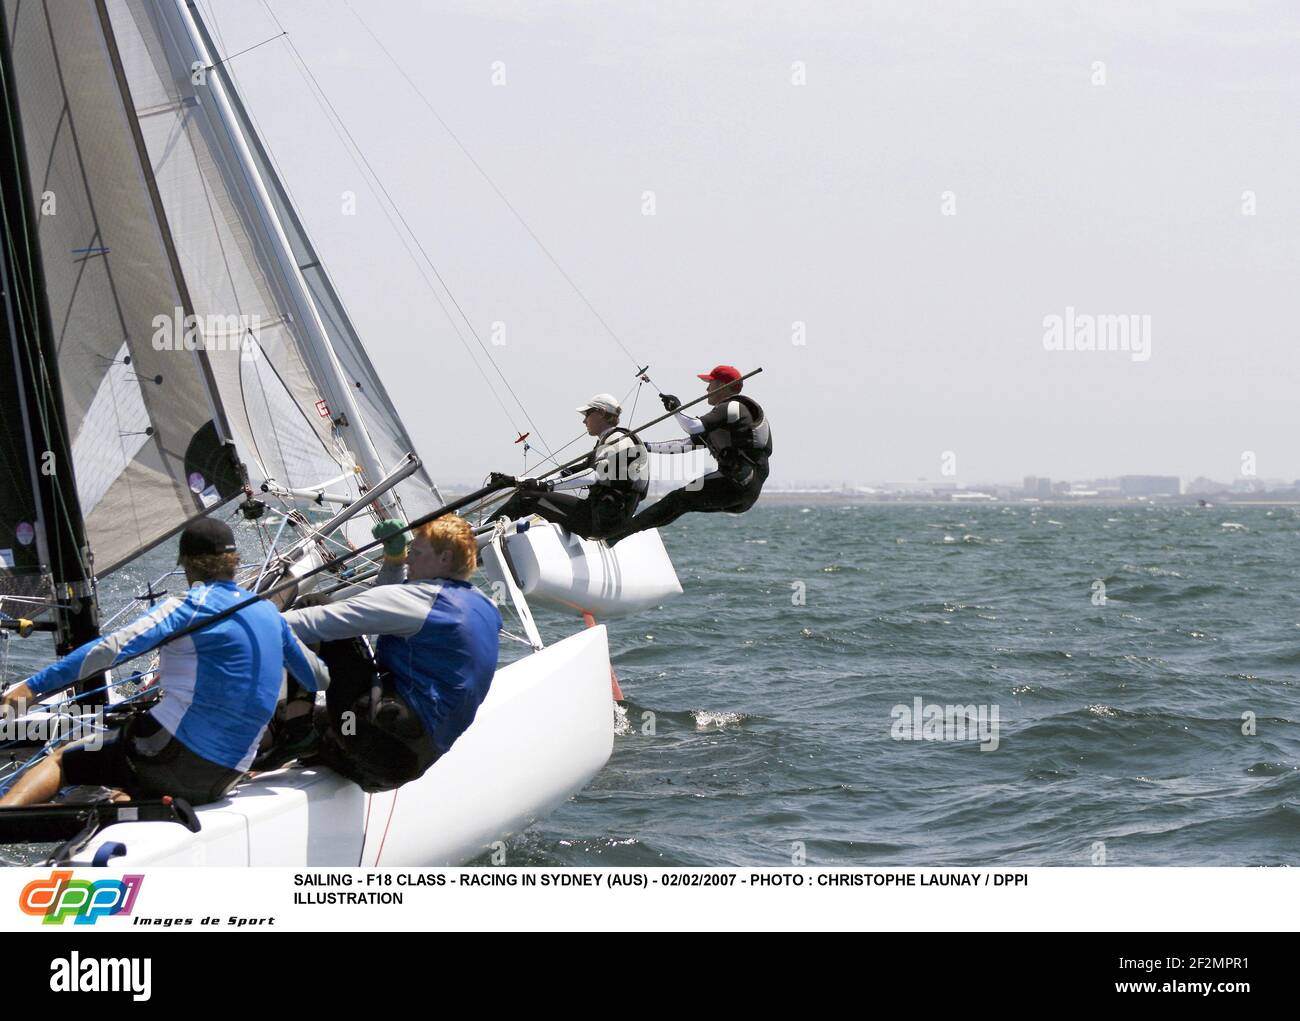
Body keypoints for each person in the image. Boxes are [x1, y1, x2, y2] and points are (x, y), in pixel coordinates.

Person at [0, 518, 328, 808]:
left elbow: (109, 649)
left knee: (64, 760)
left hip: (171, 756)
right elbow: (317, 677)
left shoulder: (189, 606)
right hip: (226, 774)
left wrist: (32, 687)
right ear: (234, 562)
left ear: (187, 563)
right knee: (122, 784)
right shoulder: (269, 613)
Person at [279, 513, 501, 793]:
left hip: (372, 743)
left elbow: (316, 622)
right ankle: (318, 741)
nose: (409, 561)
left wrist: (243, 623)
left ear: (444, 558)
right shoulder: (483, 605)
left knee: (314, 605)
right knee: (321, 720)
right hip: (403, 762)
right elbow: (387, 604)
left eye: (415, 553)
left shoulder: (423, 602)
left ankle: (296, 734)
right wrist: (393, 561)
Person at [604, 365, 772, 545]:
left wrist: (676, 410)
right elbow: (684, 446)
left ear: (723, 386)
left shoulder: (733, 407)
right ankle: (617, 536)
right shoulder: (725, 422)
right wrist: (644, 447)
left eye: (710, 384)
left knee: (678, 500)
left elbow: (694, 426)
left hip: (737, 484)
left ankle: (616, 534)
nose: (707, 390)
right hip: (744, 494)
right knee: (680, 503)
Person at [493, 393, 649, 540]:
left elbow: (592, 475)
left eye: (587, 415)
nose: (584, 421)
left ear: (601, 413)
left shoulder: (618, 440)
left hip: (600, 521)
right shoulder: (607, 443)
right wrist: (514, 481)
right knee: (529, 495)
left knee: (524, 497)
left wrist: (546, 486)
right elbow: (564, 475)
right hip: (605, 521)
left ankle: (481, 540)